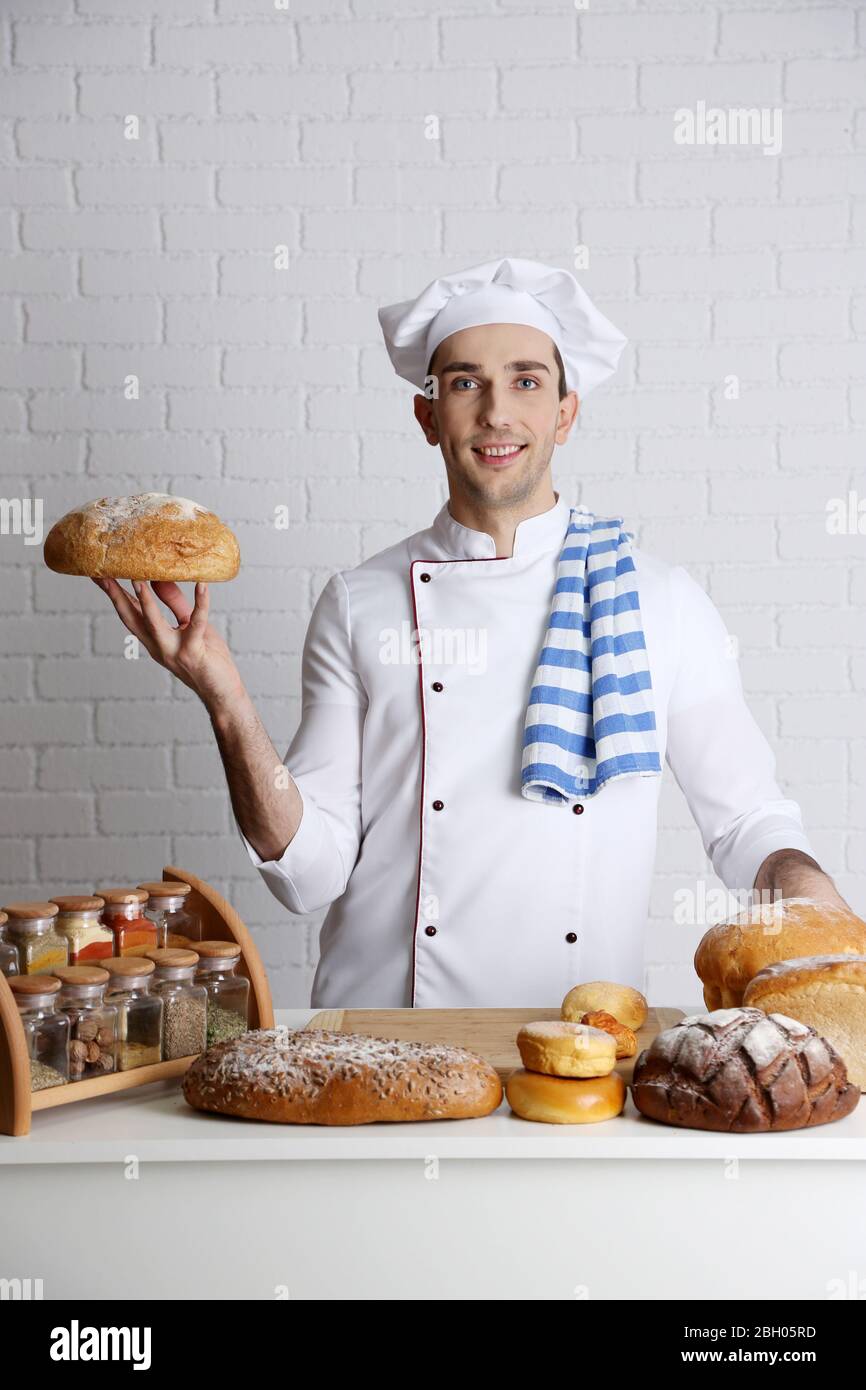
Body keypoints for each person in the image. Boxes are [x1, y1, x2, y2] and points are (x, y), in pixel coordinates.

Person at [94, 257, 850, 1008]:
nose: (496, 413)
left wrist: (807, 892)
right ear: (428, 417)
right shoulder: (362, 603)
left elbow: (748, 819)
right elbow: (310, 873)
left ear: (565, 412)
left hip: (577, 1046)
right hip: (379, 1033)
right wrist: (224, 698)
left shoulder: (657, 601)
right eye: (464, 383)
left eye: (526, 381)